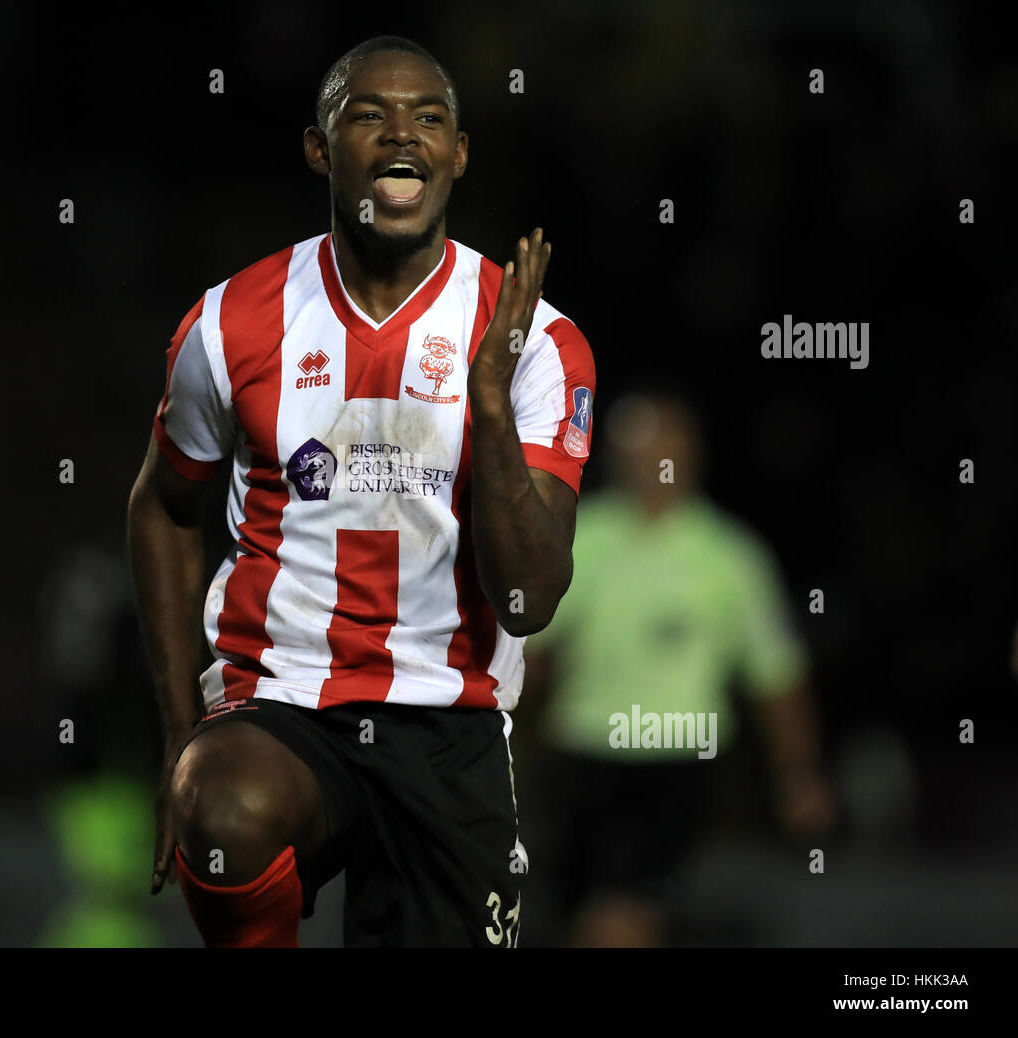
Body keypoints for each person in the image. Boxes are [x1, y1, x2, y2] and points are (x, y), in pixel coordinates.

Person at [126, 36, 597, 947]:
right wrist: (180, 734)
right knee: (221, 808)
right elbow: (165, 503)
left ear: (457, 155)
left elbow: (530, 597)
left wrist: (490, 408)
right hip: (284, 699)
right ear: (320, 148)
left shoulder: (537, 340)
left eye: (427, 117)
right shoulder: (232, 322)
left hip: (451, 720)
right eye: (367, 114)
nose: (400, 135)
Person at [524, 391, 836, 947]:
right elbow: (529, 658)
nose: (654, 463)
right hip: (582, 760)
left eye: (668, 446)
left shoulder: (729, 557)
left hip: (677, 765)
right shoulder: (583, 538)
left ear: (693, 453)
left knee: (623, 918)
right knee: (578, 914)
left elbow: (776, 676)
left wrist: (799, 776)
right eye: (639, 449)